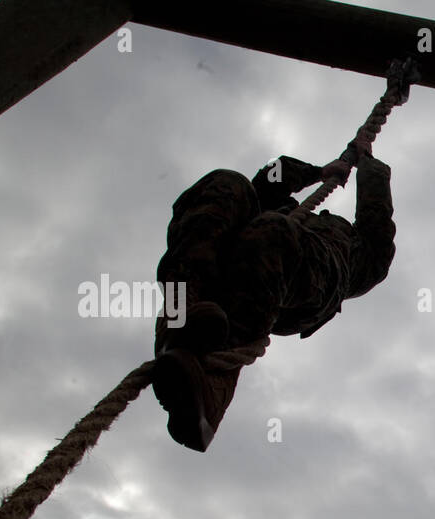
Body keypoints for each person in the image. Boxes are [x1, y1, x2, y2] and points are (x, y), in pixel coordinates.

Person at [152, 150, 396, 451]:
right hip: (222, 274)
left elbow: (378, 223)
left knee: (274, 232)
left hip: (302, 281)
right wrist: (318, 172)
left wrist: (368, 165)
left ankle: (211, 392)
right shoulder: (277, 207)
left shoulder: (362, 256)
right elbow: (274, 175)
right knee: (227, 184)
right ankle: (179, 320)